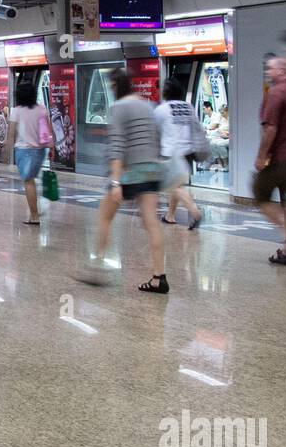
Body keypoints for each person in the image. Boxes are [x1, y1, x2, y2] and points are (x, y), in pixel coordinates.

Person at [80, 69, 167, 293]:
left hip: (129, 173)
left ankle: (97, 268)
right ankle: (159, 277)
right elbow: (157, 139)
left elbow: (118, 145)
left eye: (111, 87)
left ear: (116, 87)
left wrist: (117, 182)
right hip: (151, 170)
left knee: (104, 217)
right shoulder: (149, 106)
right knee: (152, 223)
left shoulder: (118, 108)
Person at [253, 54, 286, 263]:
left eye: (271, 69)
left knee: (259, 192)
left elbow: (271, 128)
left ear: (282, 70)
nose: (268, 72)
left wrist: (261, 156)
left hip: (280, 157)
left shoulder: (276, 93)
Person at [154, 78, 204, 230]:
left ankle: (195, 212)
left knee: (174, 185)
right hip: (187, 152)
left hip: (170, 153)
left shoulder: (162, 109)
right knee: (177, 183)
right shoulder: (188, 107)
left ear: (166, 92)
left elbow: (154, 131)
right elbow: (196, 128)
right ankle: (170, 215)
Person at [6, 82, 52, 225]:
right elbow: (47, 131)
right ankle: (35, 212)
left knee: (29, 182)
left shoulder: (16, 111)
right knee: (31, 180)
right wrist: (52, 148)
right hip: (39, 150)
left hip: (24, 150)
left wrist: (8, 153)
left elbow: (11, 133)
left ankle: (34, 215)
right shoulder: (42, 110)